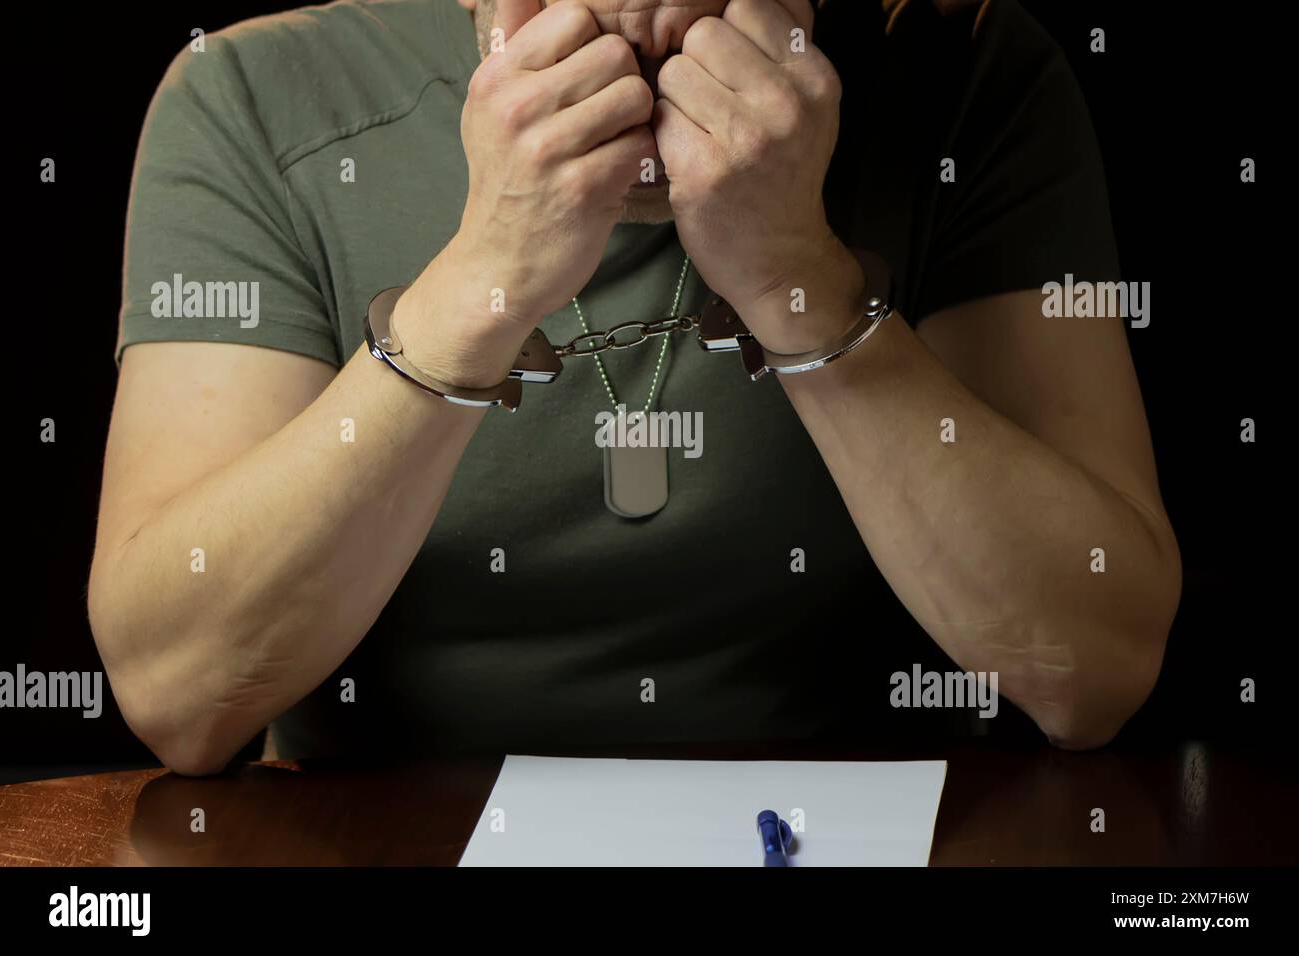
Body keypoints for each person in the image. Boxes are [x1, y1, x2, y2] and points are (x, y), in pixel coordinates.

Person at [88, 0, 1181, 775]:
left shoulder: (968, 72)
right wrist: (482, 287)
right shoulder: (255, 100)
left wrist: (795, 278)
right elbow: (179, 694)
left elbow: (1094, 671)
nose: (651, 31)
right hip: (395, 842)